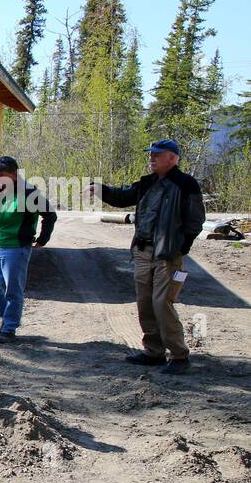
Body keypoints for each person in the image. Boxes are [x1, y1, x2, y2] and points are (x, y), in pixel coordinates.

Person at [85, 138, 205, 375]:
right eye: (151, 153)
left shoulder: (186, 184)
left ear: (173, 158)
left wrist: (181, 248)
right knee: (145, 303)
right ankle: (153, 351)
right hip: (142, 251)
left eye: (157, 154)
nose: (151, 158)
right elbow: (122, 197)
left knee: (162, 303)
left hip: (168, 255)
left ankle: (179, 356)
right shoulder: (148, 183)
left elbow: (195, 221)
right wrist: (100, 189)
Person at [0, 155, 55, 343]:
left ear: (14, 174)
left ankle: (9, 329)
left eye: (2, 175)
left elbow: (50, 215)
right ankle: (9, 317)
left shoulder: (28, 193)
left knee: (13, 290)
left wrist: (43, 239)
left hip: (17, 248)